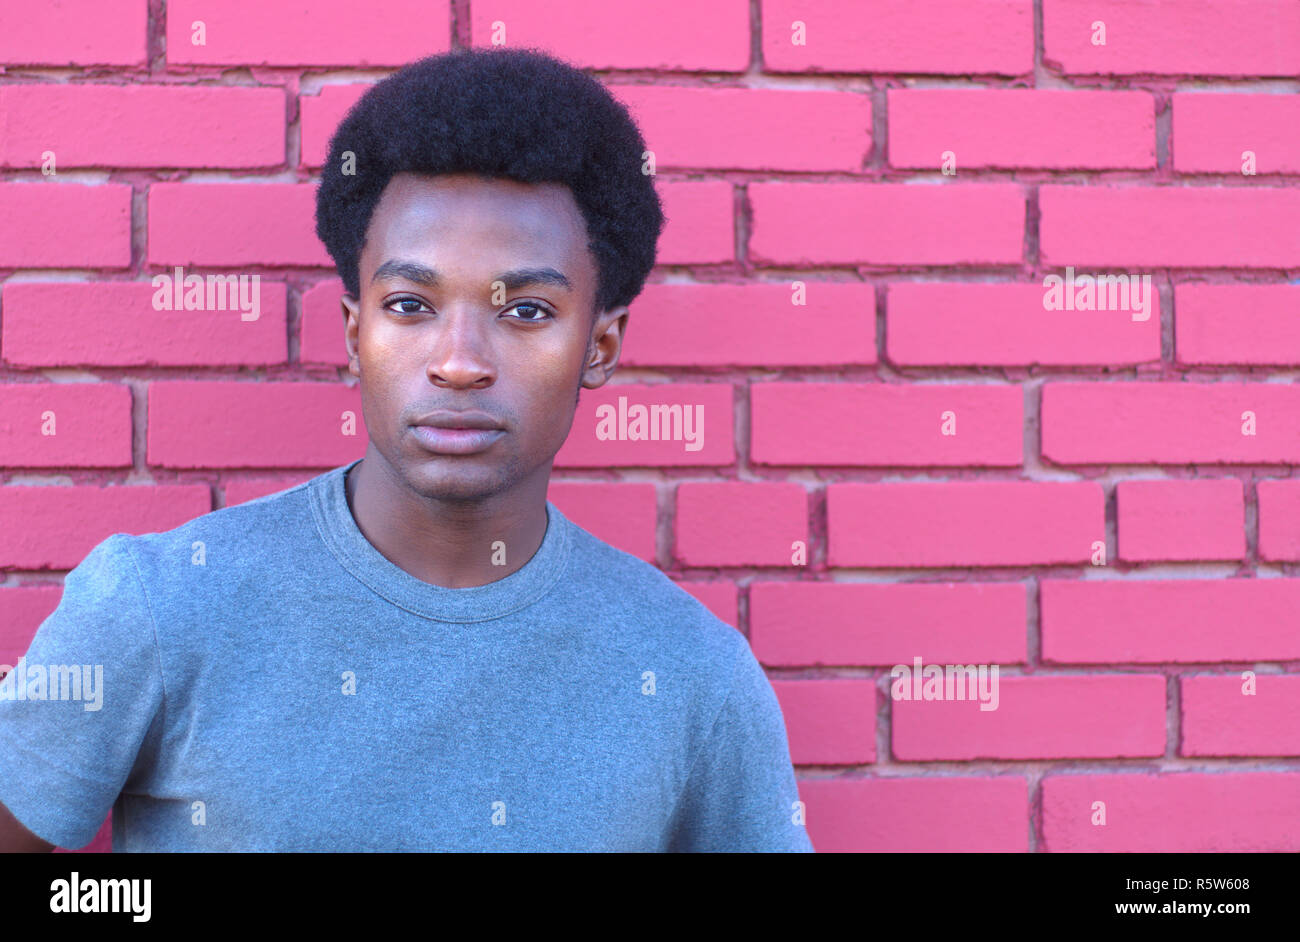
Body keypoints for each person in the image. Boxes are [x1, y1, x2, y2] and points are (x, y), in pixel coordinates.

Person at [0, 47, 813, 852]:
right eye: (411, 304)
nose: (459, 361)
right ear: (356, 334)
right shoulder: (157, 606)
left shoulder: (696, 675)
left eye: (526, 310)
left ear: (600, 347)